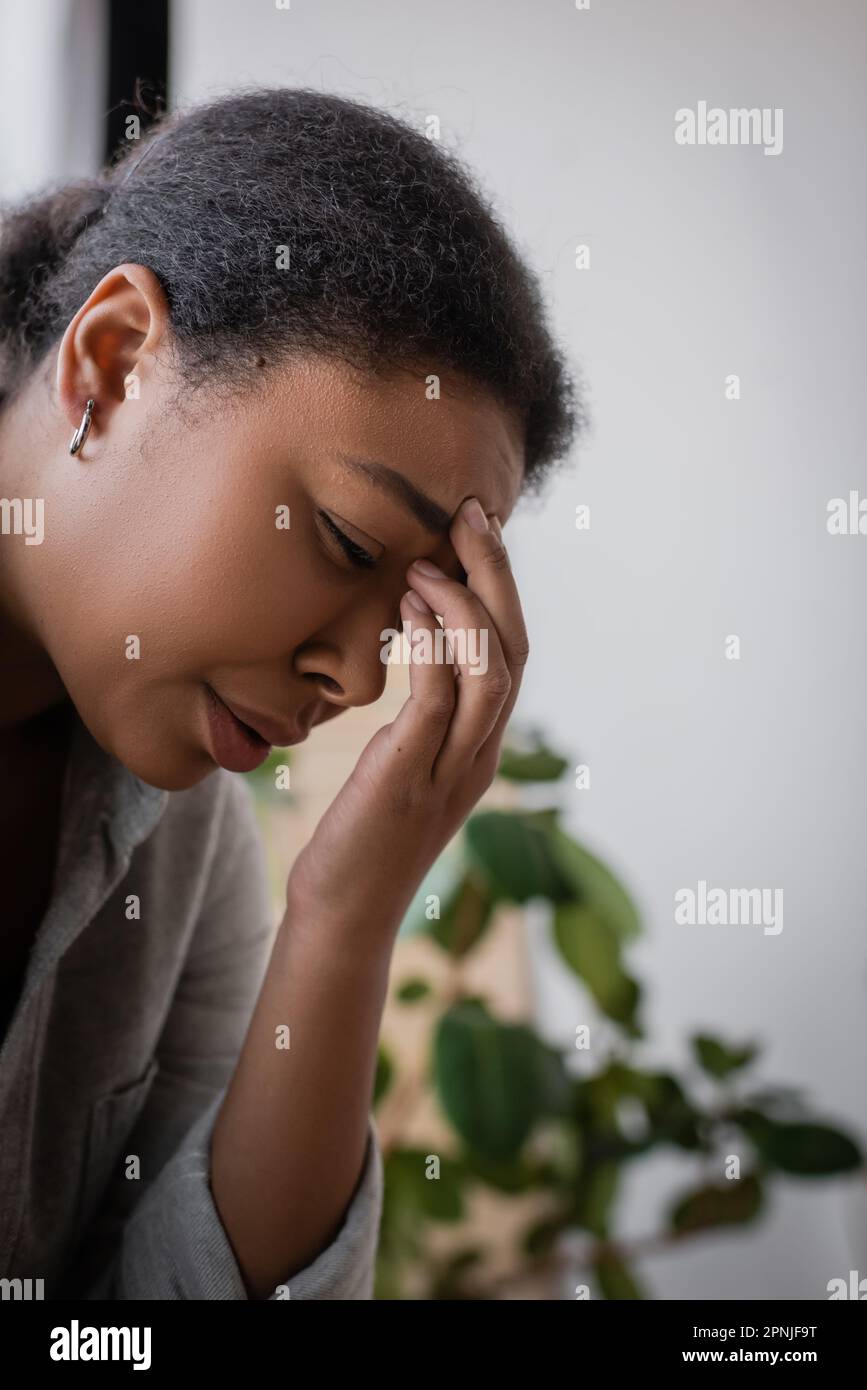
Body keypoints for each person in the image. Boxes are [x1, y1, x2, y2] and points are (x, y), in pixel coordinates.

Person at [0, 87, 578, 1299]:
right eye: (346, 541)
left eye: (408, 615)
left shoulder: (178, 830)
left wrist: (346, 921)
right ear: (111, 365)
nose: (362, 677)